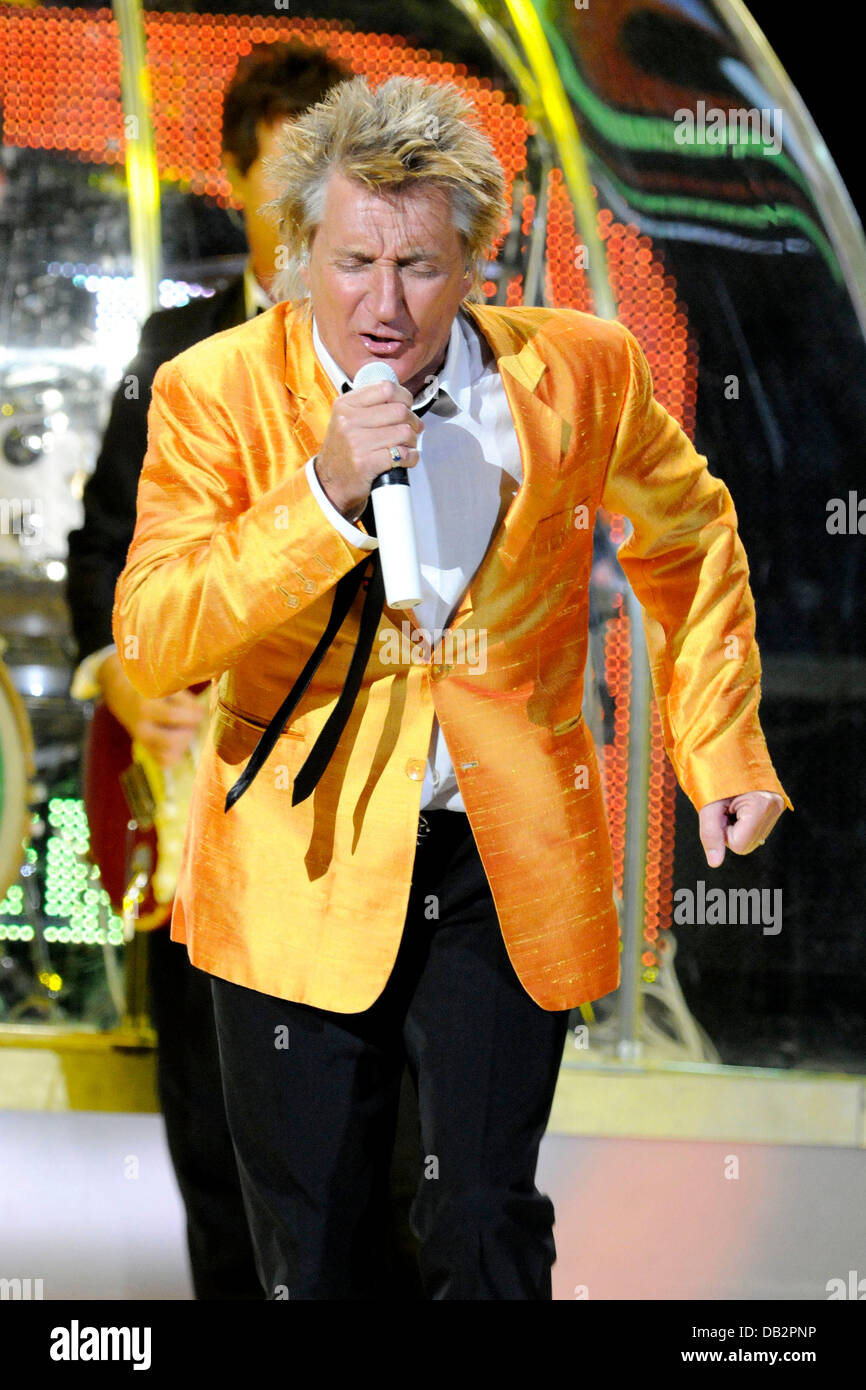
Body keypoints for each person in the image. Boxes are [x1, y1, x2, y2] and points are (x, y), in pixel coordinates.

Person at [112, 74, 790, 1301]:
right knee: (310, 1256)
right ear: (299, 251)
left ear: (476, 258)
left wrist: (720, 744)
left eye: (418, 265)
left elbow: (688, 539)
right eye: (354, 259)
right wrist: (318, 498)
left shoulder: (579, 371)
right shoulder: (211, 391)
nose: (382, 301)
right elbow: (156, 633)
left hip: (497, 860)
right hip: (296, 859)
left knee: (483, 1224)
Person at [66, 42, 355, 1301]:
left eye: (325, 170)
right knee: (211, 1129)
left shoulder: (411, 345)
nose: (299, 201)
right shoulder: (172, 349)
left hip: (357, 820)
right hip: (198, 820)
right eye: (277, 169)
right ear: (232, 177)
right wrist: (123, 675)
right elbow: (99, 556)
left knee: (371, 1155)